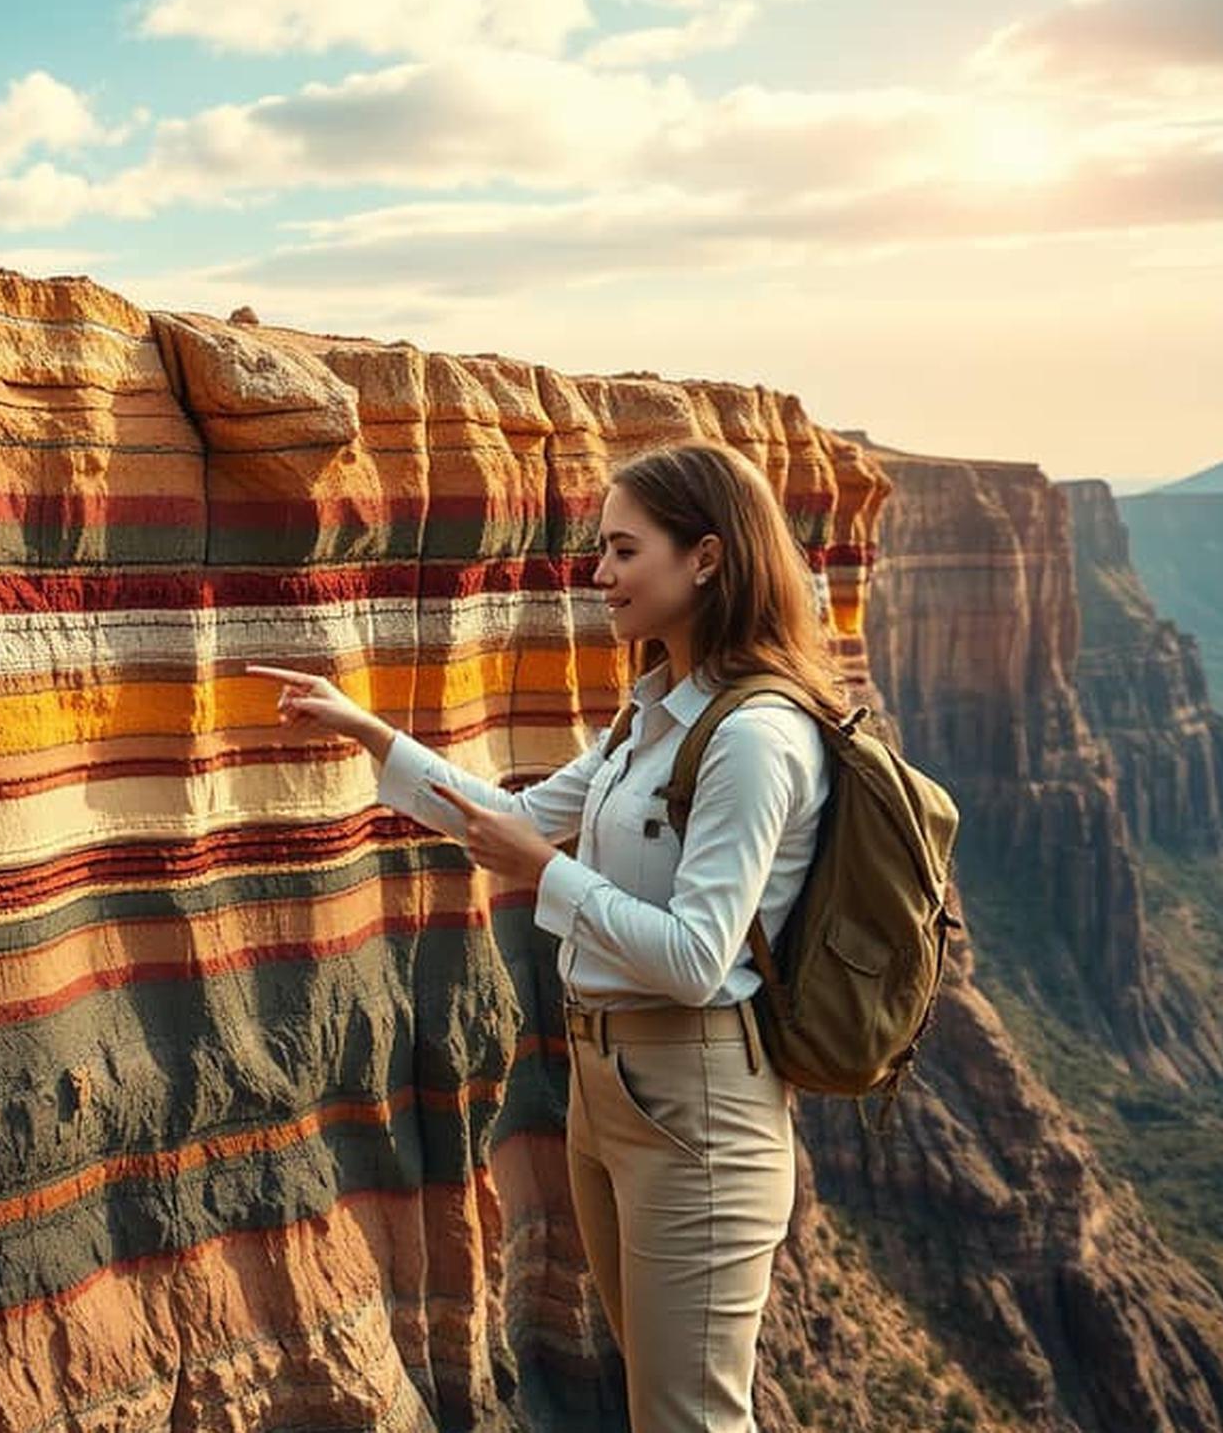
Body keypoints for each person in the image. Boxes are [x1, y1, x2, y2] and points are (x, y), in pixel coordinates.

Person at [246, 438, 850, 1433]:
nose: (598, 576)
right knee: (653, 1407)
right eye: (599, 551)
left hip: (698, 1104)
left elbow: (699, 959)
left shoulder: (752, 736)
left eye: (623, 551)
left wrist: (546, 877)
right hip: (608, 1094)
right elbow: (510, 813)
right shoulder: (650, 718)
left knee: (689, 1417)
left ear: (704, 559)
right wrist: (367, 733)